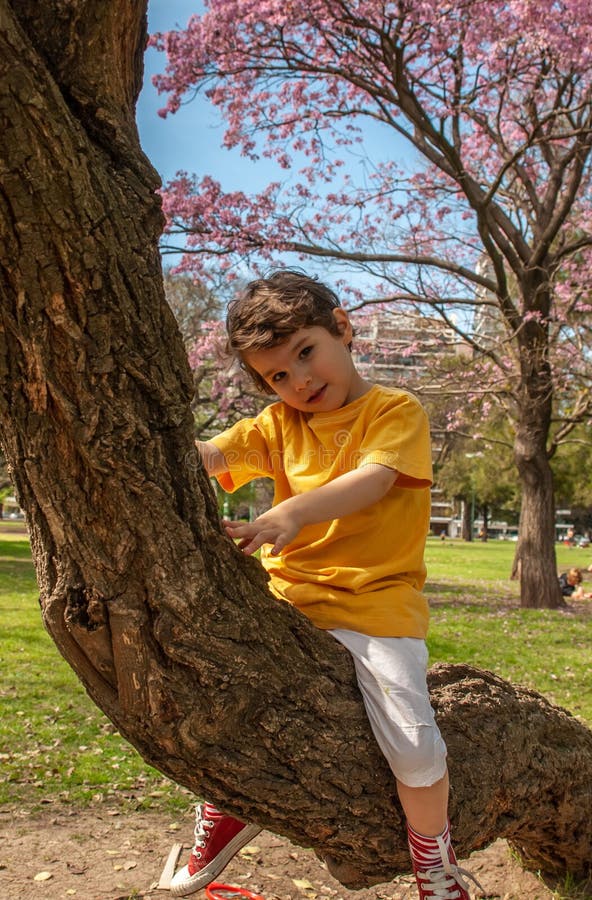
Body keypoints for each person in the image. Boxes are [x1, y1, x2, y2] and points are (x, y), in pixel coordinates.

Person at [170, 270, 480, 900]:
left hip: (376, 609)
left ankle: (434, 862)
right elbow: (212, 456)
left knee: (416, 747)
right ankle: (225, 809)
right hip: (285, 604)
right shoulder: (277, 424)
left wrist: (292, 511)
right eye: (278, 376)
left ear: (342, 328)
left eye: (305, 354)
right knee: (221, 704)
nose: (300, 382)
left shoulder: (393, 410)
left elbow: (374, 480)